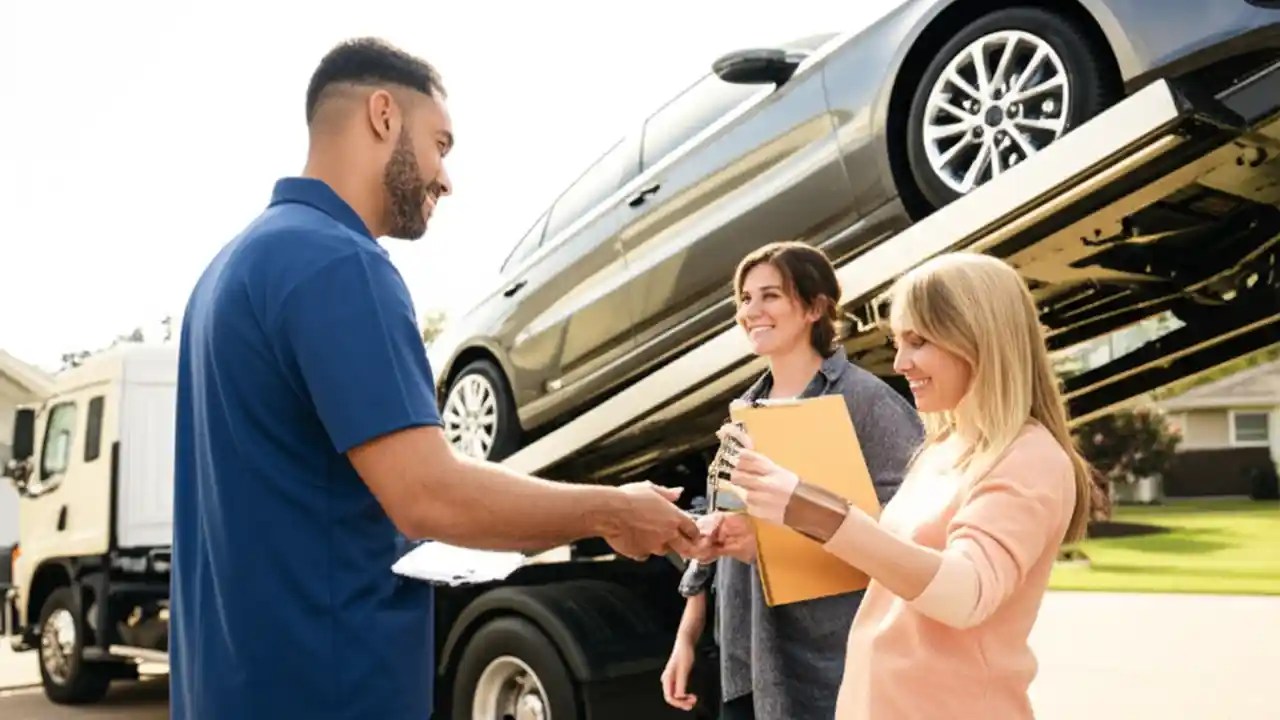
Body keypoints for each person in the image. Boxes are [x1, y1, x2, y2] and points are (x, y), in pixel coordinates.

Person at [170, 38, 699, 720]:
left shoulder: (228, 272)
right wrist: (613, 511)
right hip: (331, 692)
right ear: (384, 116)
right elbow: (428, 495)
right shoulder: (339, 264)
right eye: (440, 144)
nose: (445, 178)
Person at [721, 251, 1095, 719]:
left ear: (979, 337)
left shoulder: (1030, 458)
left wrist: (811, 509)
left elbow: (966, 595)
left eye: (918, 341)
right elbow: (888, 567)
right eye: (898, 342)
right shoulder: (943, 448)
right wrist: (769, 531)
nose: (899, 362)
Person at [659, 241, 923, 719]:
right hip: (748, 663)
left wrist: (764, 542)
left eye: (770, 296)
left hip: (832, 668)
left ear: (815, 307)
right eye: (744, 298)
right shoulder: (745, 411)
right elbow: (724, 527)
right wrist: (686, 637)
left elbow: (907, 534)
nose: (751, 311)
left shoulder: (865, 401)